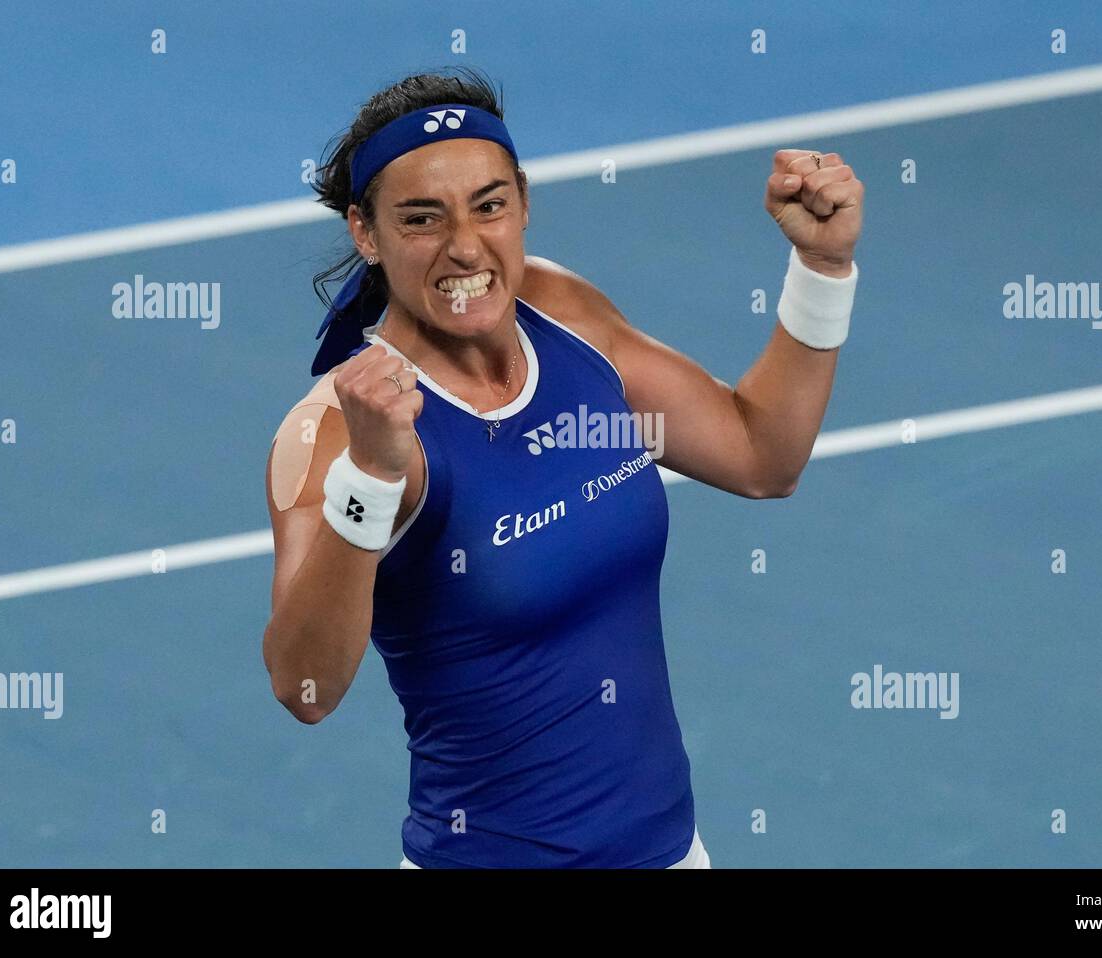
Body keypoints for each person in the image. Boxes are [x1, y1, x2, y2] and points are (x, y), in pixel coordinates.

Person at [262, 67, 863, 868]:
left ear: (523, 203)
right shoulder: (336, 430)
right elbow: (306, 688)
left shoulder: (564, 316)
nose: (465, 247)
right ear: (365, 234)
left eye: (490, 204)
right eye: (421, 219)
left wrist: (821, 270)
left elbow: (760, 456)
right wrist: (370, 479)